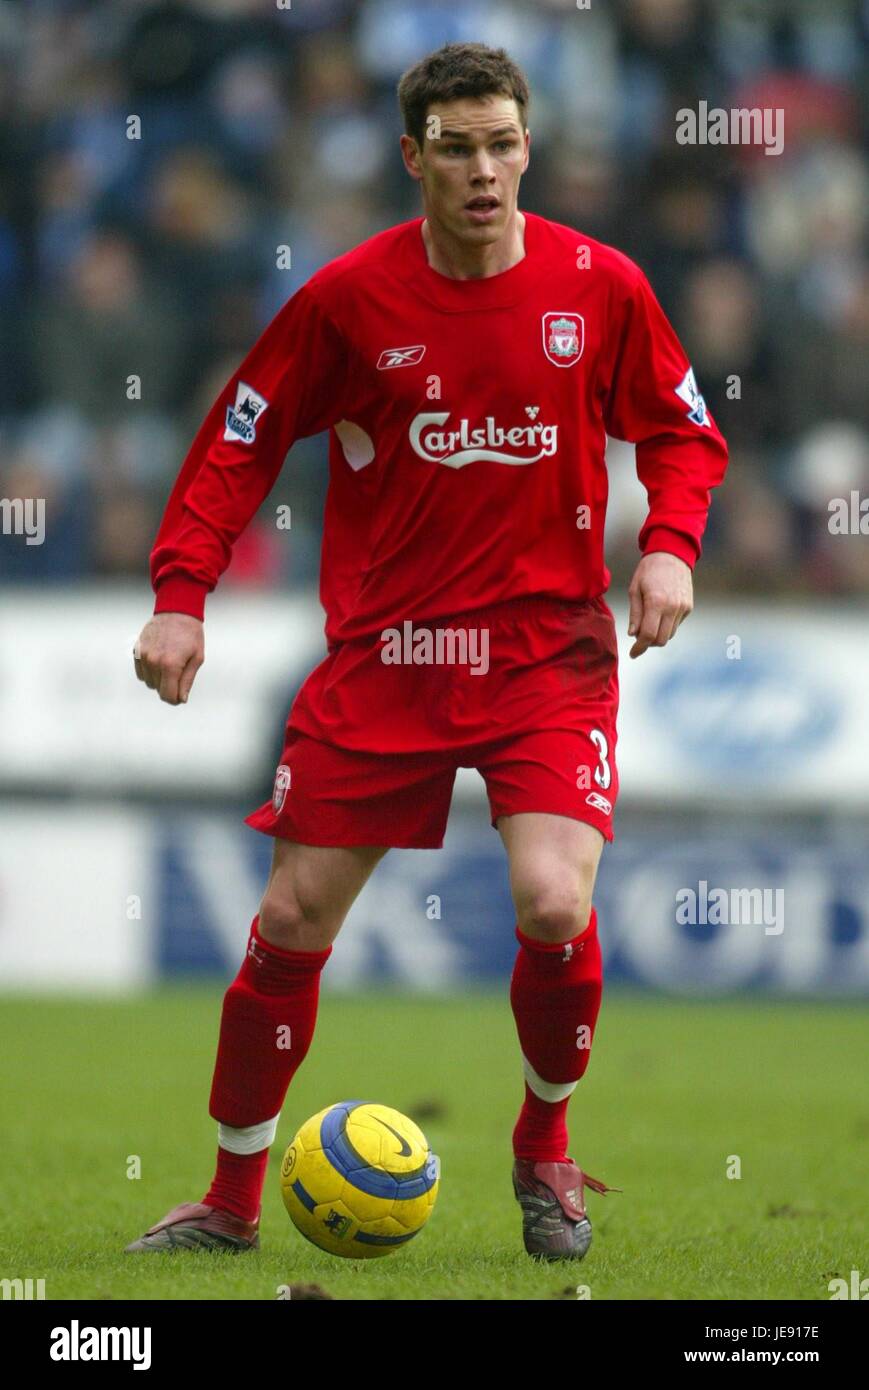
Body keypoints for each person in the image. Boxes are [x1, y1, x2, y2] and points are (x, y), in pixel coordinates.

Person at [128, 42, 727, 1261]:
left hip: (541, 651)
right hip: (387, 655)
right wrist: (181, 593)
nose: (483, 170)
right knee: (291, 917)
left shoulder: (594, 286)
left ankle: (543, 1153)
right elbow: (238, 441)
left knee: (554, 897)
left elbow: (682, 428)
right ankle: (231, 1202)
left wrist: (668, 545)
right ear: (414, 158)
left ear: (526, 147)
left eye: (502, 143)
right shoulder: (347, 299)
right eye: (454, 148)